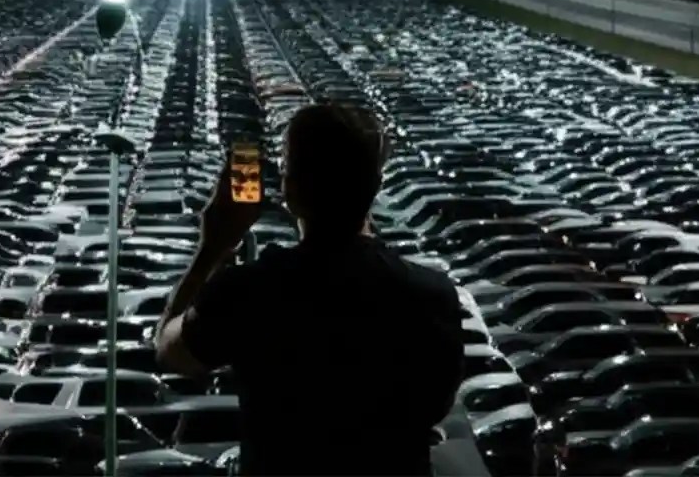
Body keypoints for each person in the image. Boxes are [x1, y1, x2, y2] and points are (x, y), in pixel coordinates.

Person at [155, 103, 466, 476]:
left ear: (289, 188)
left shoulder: (252, 292)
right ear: (377, 186)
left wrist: (213, 247)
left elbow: (172, 351)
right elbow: (437, 407)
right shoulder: (432, 296)